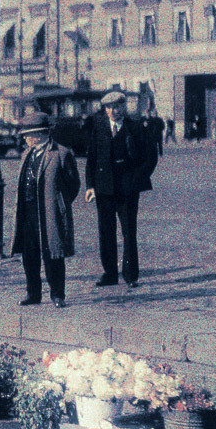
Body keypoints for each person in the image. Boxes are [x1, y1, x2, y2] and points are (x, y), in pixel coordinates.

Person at [84, 91, 157, 288]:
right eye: (108, 107)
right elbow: (91, 158)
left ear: (123, 107)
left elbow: (151, 156)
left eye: (116, 107)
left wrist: (137, 179)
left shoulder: (136, 128)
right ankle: (110, 273)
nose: (112, 111)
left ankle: (131, 275)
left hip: (127, 189)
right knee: (106, 231)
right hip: (104, 188)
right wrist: (90, 185)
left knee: (128, 231)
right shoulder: (99, 128)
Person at [12, 113, 80, 308]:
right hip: (27, 212)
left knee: (53, 253)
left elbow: (73, 184)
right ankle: (33, 293)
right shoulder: (27, 153)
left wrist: (59, 203)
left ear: (40, 134)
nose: (25, 138)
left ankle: (57, 294)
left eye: (28, 135)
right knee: (29, 254)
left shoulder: (60, 153)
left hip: (49, 212)